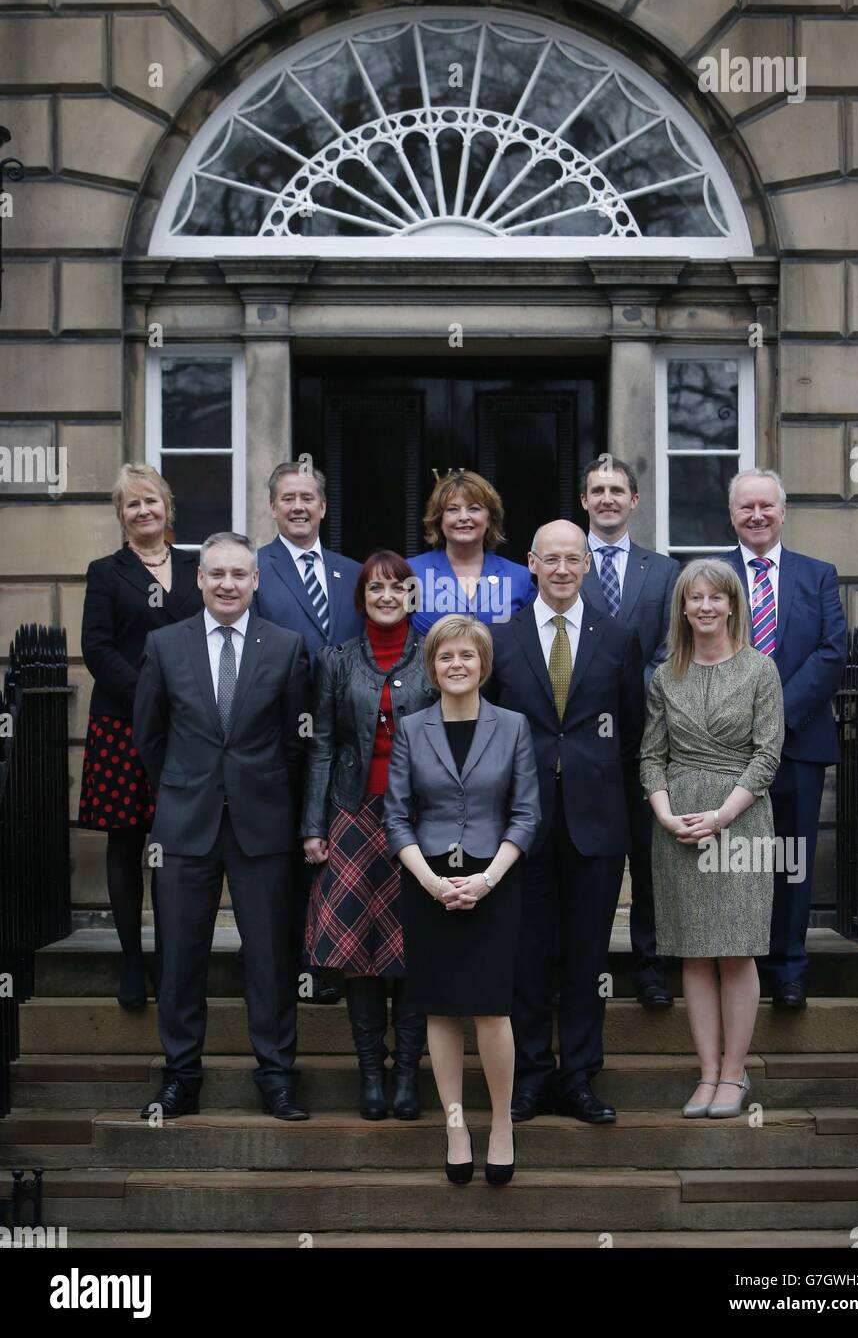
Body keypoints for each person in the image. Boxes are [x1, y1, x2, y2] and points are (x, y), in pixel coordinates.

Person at [133, 532, 311, 1121]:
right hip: (185, 825)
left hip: (263, 825)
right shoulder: (164, 645)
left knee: (269, 957)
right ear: (200, 581)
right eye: (217, 574)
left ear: (255, 581)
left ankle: (277, 1076)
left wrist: (254, 790)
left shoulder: (286, 648)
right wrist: (187, 787)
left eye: (240, 574)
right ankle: (182, 1078)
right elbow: (148, 738)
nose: (228, 584)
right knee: (181, 958)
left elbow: (295, 743)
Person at [488, 521, 644, 1125]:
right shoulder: (501, 639)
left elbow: (629, 733)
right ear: (531, 563)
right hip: (521, 823)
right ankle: (530, 1076)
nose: (560, 569)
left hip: (596, 822)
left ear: (586, 566)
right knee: (525, 953)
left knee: (586, 955)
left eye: (571, 560)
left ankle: (578, 1076)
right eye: (549, 559)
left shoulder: (619, 636)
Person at [384, 616, 540, 1185]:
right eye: (445, 656)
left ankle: (502, 1123)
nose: (456, 665)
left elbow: (526, 814)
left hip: (493, 879)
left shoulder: (514, 727)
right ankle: (455, 1124)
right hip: (428, 881)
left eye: (467, 656)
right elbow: (396, 816)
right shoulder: (411, 728)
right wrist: (431, 882)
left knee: (492, 1007)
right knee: (440, 1006)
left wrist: (487, 880)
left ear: (483, 664)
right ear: (432, 666)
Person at [640, 559, 784, 1118]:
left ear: (731, 605)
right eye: (693, 598)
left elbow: (767, 754)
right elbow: (651, 755)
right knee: (694, 954)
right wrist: (665, 814)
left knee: (735, 949)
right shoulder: (664, 676)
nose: (703, 607)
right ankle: (706, 1074)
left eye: (714, 598)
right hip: (678, 826)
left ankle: (734, 1072)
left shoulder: (759, 670)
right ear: (682, 607)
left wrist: (722, 815)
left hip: (740, 819)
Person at [302, 551, 438, 1122]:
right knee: (358, 946)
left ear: (412, 596)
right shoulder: (336, 661)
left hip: (418, 819)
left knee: (409, 944)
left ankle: (407, 1071)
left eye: (397, 588)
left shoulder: (434, 657)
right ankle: (370, 1072)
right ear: (361, 598)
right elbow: (323, 744)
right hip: (352, 814)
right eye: (375, 588)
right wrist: (313, 824)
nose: (386, 596)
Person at [720, 469, 846, 1008]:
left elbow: (831, 651)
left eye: (766, 506)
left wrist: (775, 716)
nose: (756, 515)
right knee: (737, 860)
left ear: (783, 510)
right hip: (727, 747)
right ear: (732, 515)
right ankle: (739, 961)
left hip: (797, 740)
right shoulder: (711, 574)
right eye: (746, 507)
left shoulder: (818, 575)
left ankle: (789, 969)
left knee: (792, 856)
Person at [79, 464, 202, 1008]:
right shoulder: (106, 573)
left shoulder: (198, 568)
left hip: (187, 727)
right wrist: (152, 696)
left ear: (167, 508)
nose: (143, 511)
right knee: (126, 841)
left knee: (175, 845)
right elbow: (97, 649)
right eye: (132, 504)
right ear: (121, 516)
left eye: (151, 501)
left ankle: (169, 959)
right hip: (122, 724)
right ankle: (133, 958)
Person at [254, 461, 362, 1004]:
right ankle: (297, 963)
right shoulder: (255, 568)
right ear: (272, 507)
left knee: (335, 849)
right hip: (278, 735)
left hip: (342, 740)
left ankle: (333, 958)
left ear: (322, 506)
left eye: (308, 498)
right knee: (291, 852)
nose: (298, 507)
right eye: (287, 498)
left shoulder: (353, 571)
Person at [579, 455, 680, 1010]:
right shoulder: (565, 564)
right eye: (598, 490)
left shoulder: (662, 571)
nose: (608, 498)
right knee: (590, 858)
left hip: (647, 736)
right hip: (584, 739)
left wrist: (624, 688)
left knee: (648, 857)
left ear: (634, 500)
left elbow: (668, 654)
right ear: (585, 501)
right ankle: (582, 963)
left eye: (618, 489)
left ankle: (650, 966)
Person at [406, 470, 536, 636]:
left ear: (489, 519)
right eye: (453, 510)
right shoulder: (411, 572)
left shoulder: (520, 577)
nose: (463, 517)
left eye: (474, 508)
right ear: (439, 520)